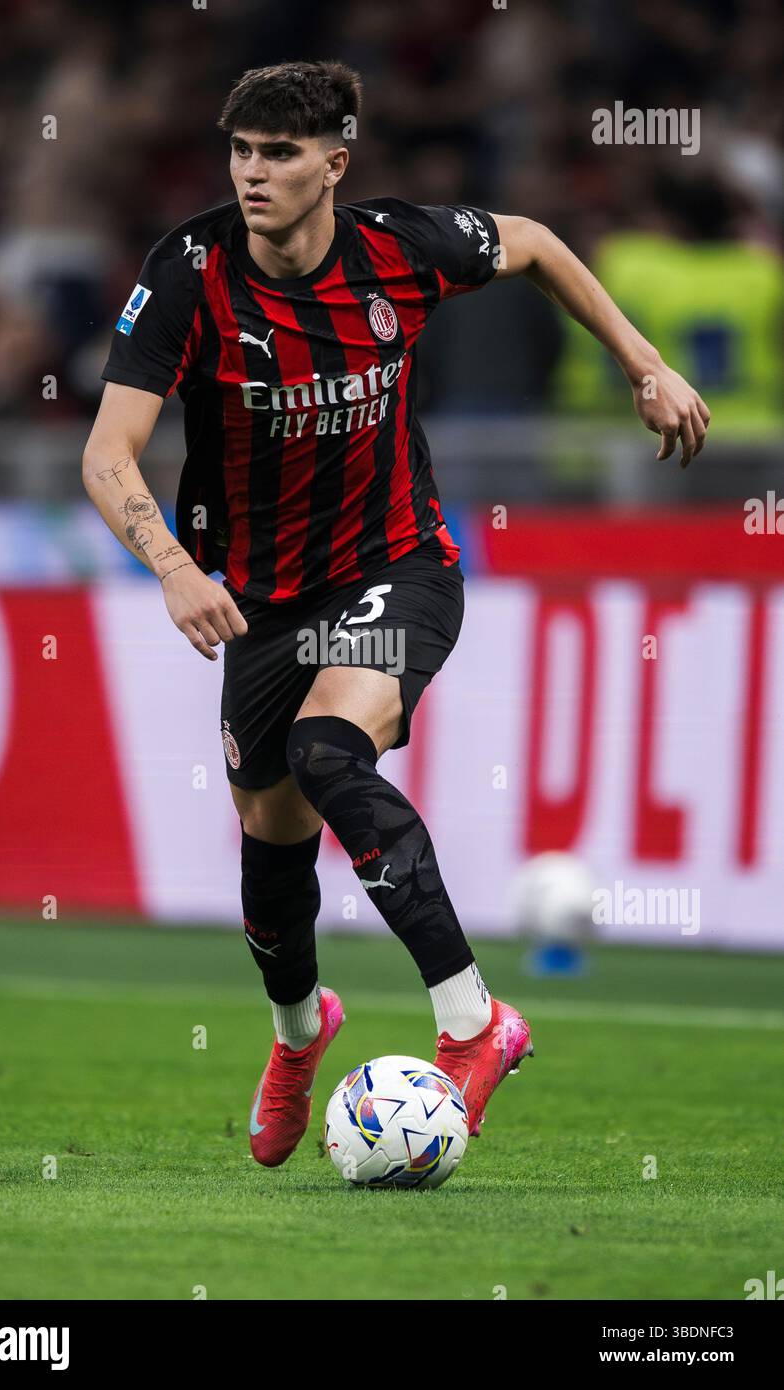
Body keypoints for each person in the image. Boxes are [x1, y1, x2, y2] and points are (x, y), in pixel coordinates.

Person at [83, 60, 710, 1168]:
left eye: (278, 154)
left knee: (329, 751)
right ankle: (296, 1034)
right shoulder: (189, 271)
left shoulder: (399, 249)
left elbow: (533, 242)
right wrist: (174, 565)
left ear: (335, 160)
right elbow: (105, 453)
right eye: (240, 152)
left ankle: (475, 1024)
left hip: (397, 563)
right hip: (257, 600)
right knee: (270, 858)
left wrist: (641, 364)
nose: (253, 174)